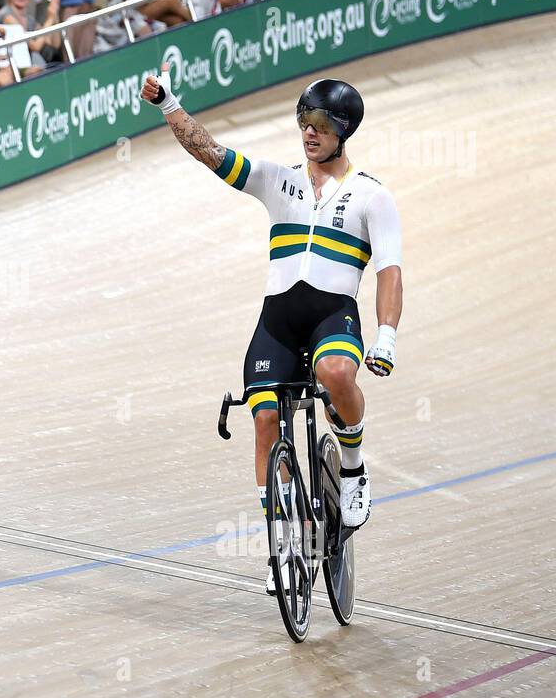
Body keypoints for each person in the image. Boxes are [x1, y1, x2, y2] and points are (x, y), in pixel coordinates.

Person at [141, 65, 402, 592]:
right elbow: (210, 153)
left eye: (321, 127)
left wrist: (386, 337)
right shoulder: (276, 180)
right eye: (304, 122)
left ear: (343, 133)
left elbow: (389, 273)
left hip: (333, 316)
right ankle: (284, 542)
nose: (309, 133)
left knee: (333, 371)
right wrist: (170, 103)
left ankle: (352, 467)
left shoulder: (372, 195)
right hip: (277, 324)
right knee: (263, 425)